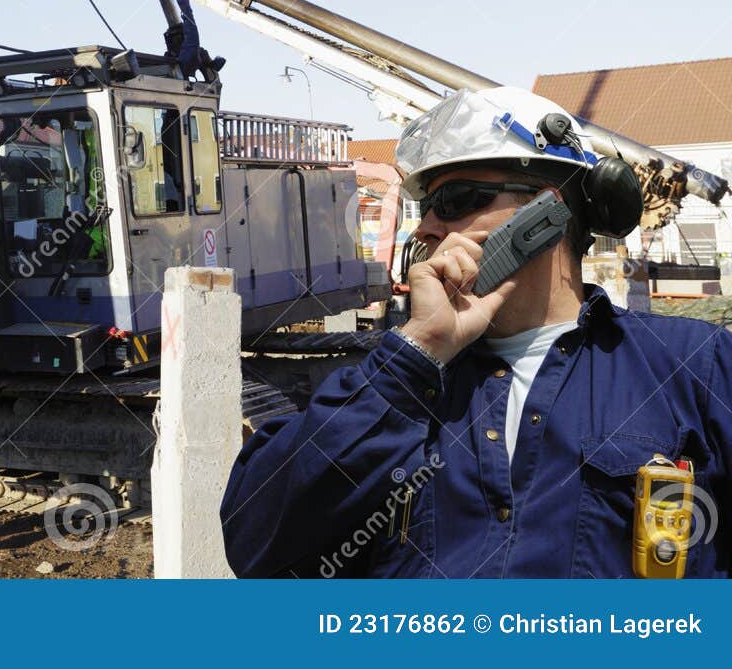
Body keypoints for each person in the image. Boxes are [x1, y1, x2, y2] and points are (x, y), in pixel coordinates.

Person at [220, 86, 732, 578]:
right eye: (425, 209)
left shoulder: (694, 367)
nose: (425, 229)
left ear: (546, 212)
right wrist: (418, 356)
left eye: (457, 199)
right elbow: (255, 545)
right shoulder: (390, 388)